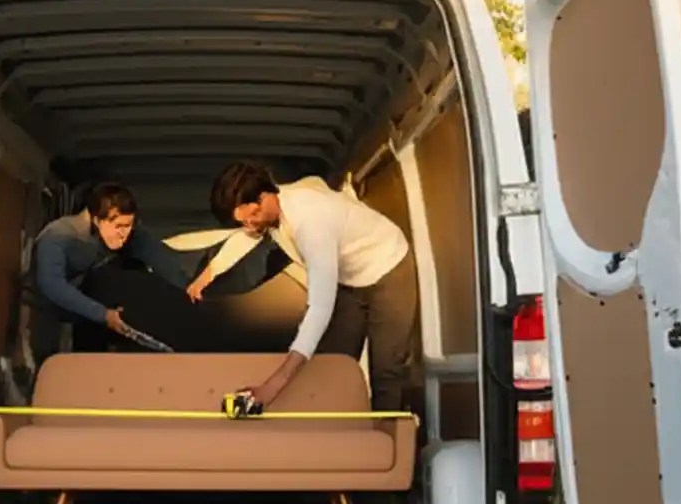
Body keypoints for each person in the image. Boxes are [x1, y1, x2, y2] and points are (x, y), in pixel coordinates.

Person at [191, 162, 417, 411]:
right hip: (350, 277)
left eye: (253, 216)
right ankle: (337, 429)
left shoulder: (311, 222)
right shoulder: (271, 208)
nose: (251, 224)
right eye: (244, 221)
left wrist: (271, 387)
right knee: (335, 361)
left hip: (387, 266)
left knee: (386, 368)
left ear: (265, 196)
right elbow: (246, 238)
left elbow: (320, 308)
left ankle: (385, 441)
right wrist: (209, 273)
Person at [25, 182, 190, 373]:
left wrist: (188, 291)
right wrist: (103, 314)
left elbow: (161, 259)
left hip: (88, 313)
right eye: (119, 226)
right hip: (44, 312)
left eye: (128, 226)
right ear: (97, 220)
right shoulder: (59, 237)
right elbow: (51, 285)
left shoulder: (126, 234)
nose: (124, 234)